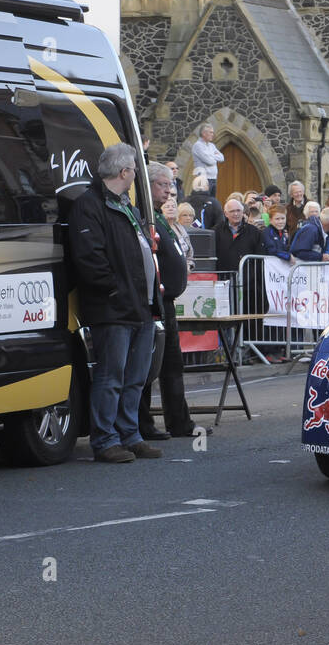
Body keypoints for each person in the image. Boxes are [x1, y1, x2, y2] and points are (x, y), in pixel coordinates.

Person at [66, 142, 163, 463]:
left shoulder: (126, 207)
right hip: (114, 307)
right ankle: (105, 439)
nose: (136, 176)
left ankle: (130, 434)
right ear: (124, 172)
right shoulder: (89, 205)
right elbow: (89, 257)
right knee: (111, 375)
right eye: (134, 170)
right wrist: (114, 291)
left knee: (136, 376)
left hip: (140, 305)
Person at [139, 163, 198, 441]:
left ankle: (180, 422)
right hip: (154, 303)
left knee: (173, 365)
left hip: (168, 302)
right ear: (149, 184)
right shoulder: (142, 215)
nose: (169, 191)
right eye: (163, 185)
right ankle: (144, 424)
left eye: (170, 185)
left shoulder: (159, 217)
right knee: (150, 365)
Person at [212, 196, 265, 277]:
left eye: (238, 210)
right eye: (232, 211)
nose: (236, 214)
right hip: (224, 279)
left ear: (243, 212)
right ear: (226, 214)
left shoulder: (254, 232)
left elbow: (260, 256)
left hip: (248, 281)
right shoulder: (216, 231)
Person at [191, 123, 224, 196]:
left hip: (213, 178)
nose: (213, 134)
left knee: (212, 201)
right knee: (204, 200)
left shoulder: (212, 146)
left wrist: (210, 155)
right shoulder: (198, 145)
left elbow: (222, 158)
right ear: (204, 133)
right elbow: (210, 161)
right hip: (203, 179)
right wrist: (214, 156)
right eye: (211, 132)